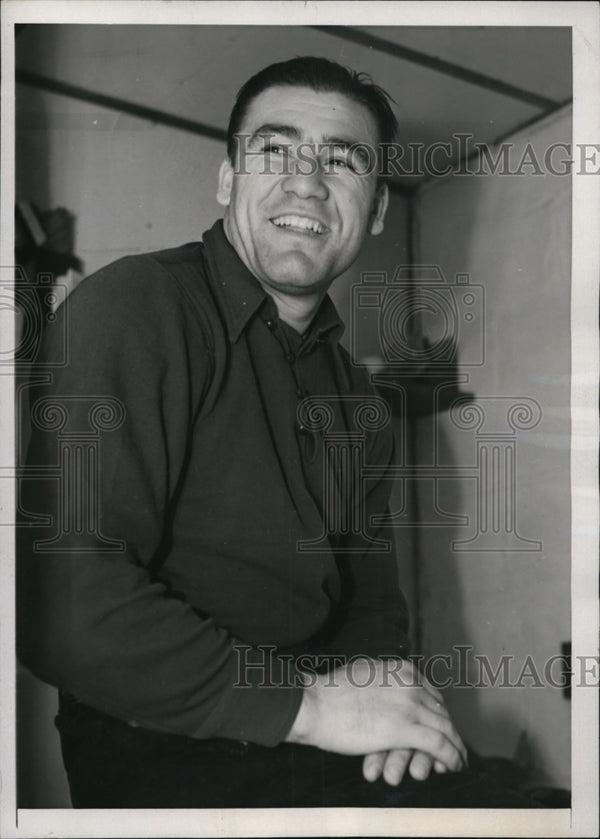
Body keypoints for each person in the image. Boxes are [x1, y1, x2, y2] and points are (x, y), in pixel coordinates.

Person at [17, 56, 540, 809]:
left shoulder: (357, 396)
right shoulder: (134, 305)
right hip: (169, 744)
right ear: (228, 179)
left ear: (377, 209)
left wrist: (385, 707)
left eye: (344, 160)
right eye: (275, 150)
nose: (307, 182)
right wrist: (314, 707)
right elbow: (56, 600)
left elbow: (370, 606)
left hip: (321, 734)